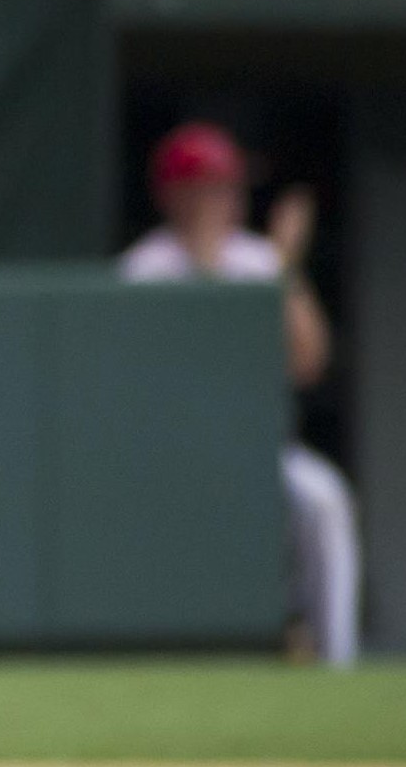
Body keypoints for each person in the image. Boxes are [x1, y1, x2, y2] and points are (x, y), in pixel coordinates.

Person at [121, 120, 360, 667]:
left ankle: (337, 660)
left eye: (230, 187)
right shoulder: (145, 269)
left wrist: (286, 269)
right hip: (164, 456)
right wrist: (206, 266)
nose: (228, 199)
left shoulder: (258, 261)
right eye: (211, 187)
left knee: (324, 499)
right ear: (173, 195)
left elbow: (310, 361)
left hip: (259, 450)